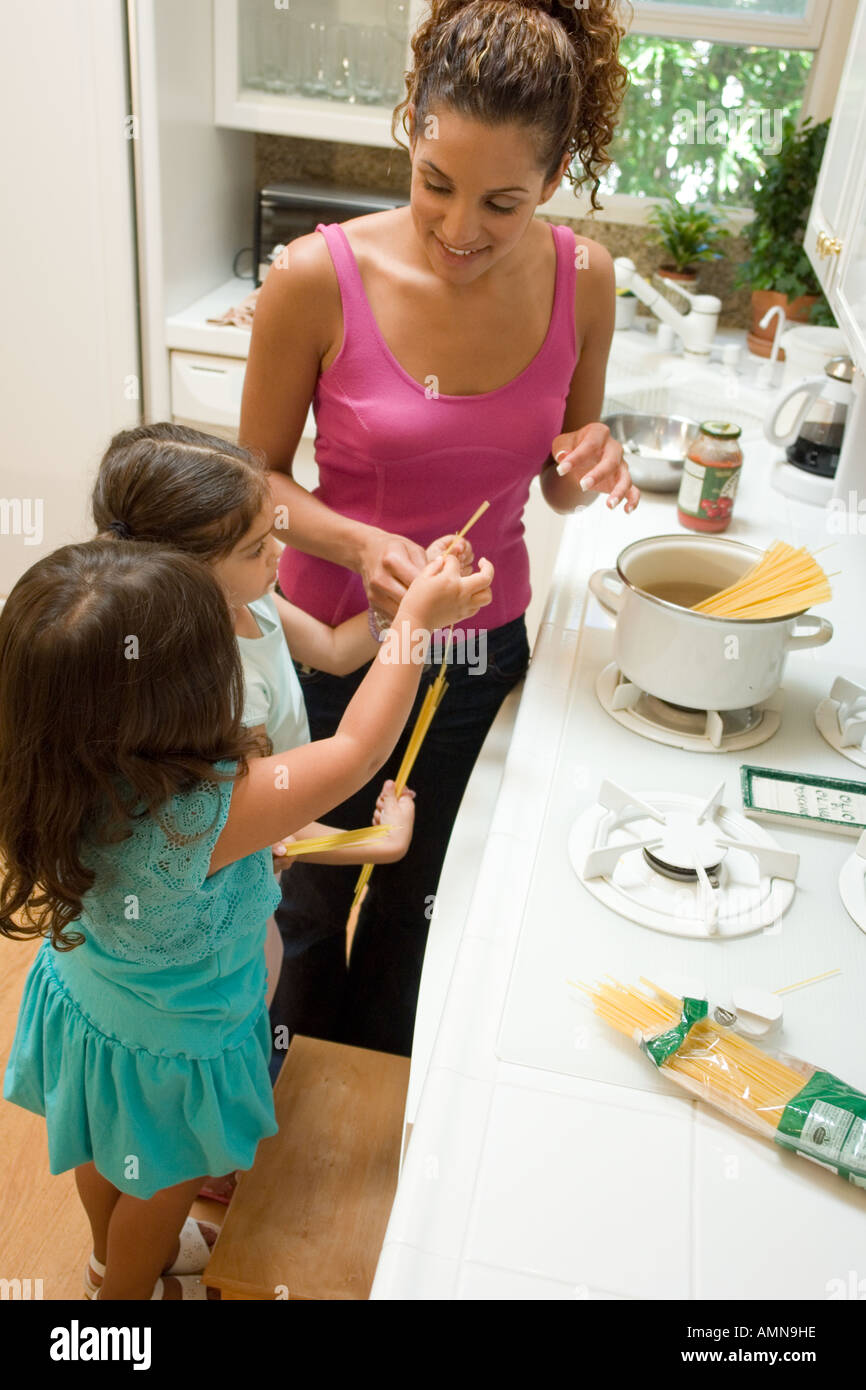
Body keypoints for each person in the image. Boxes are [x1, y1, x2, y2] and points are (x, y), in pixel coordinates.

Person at [239, 0, 639, 1057]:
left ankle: (381, 1176)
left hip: (476, 653)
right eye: (435, 184)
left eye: (502, 202)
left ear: (553, 179)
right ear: (408, 131)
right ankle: (263, 1153)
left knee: (429, 909)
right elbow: (255, 485)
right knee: (308, 913)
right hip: (331, 654)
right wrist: (360, 546)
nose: (460, 229)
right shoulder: (314, 276)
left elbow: (555, 481)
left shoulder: (585, 280)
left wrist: (589, 460)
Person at [0, 539, 492, 1300]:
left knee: (105, 1149)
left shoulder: (49, 765)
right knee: (164, 1185)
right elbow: (359, 752)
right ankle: (123, 1302)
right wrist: (414, 623)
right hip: (177, 1046)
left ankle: (109, 1258)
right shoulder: (201, 810)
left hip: (88, 1008)